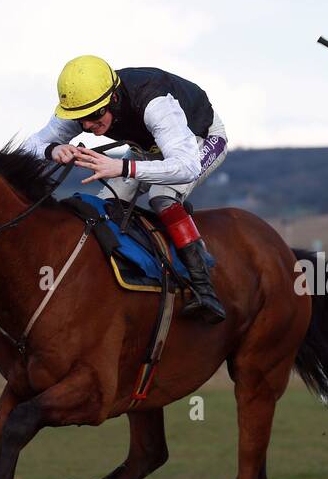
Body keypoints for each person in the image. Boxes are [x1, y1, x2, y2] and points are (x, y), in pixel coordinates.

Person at [21, 55, 228, 321]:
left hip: (198, 141)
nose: (87, 126)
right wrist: (53, 149)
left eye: (94, 117)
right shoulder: (85, 101)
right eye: (81, 119)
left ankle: (204, 289)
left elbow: (186, 166)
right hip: (148, 147)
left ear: (114, 99)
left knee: (162, 196)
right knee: (106, 203)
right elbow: (28, 147)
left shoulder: (155, 104)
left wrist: (122, 167)